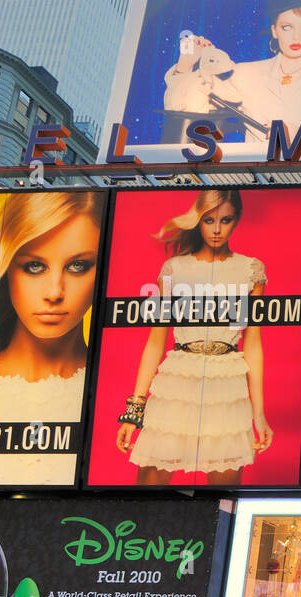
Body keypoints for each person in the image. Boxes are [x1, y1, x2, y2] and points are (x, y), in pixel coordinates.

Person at [115, 190, 272, 485]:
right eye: (208, 220)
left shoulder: (250, 270)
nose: (216, 229)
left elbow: (253, 343)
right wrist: (133, 411)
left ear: (236, 220)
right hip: (178, 378)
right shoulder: (175, 269)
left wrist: (259, 415)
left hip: (228, 382)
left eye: (225, 220)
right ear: (198, 220)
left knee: (221, 501)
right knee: (148, 493)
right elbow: (155, 341)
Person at [0, 193, 103, 485]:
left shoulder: (114, 391)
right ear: (6, 266)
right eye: (34, 266)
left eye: (77, 266)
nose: (54, 292)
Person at [166, 1, 301, 151]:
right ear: (275, 30)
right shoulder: (245, 72)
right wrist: (186, 65)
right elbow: (185, 108)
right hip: (255, 178)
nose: (296, 36)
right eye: (287, 27)